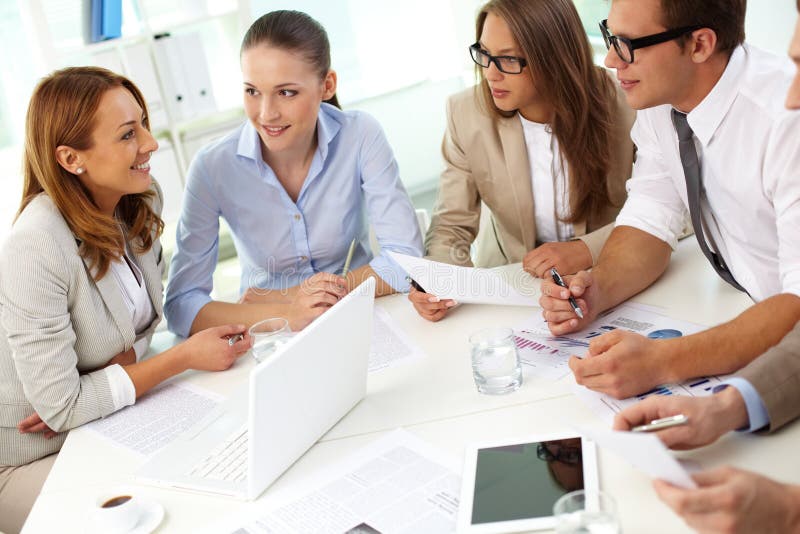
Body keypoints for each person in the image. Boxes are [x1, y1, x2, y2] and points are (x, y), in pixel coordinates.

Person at [0, 67, 251, 534]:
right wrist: (180, 358)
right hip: (33, 457)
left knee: (224, 455)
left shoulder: (137, 199)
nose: (151, 144)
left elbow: (136, 326)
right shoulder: (36, 243)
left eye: (144, 124)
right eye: (128, 134)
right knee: (164, 507)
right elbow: (61, 410)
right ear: (72, 158)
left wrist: (105, 377)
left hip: (105, 423)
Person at [539, 0, 800, 400]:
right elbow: (651, 213)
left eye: (627, 44)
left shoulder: (786, 121)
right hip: (754, 315)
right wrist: (597, 289)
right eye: (611, 35)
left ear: (699, 45)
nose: (610, 60)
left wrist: (663, 361)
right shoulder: (663, 98)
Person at [164, 10, 423, 338]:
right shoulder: (213, 167)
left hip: (365, 316)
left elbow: (405, 259)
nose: (266, 113)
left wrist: (290, 296)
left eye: (286, 92)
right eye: (252, 91)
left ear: (327, 85)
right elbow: (181, 305)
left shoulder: (360, 134)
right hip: (269, 336)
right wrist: (287, 311)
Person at [409, 0, 636, 322]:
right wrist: (439, 280)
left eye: (508, 59)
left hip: (608, 279)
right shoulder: (466, 113)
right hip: (512, 286)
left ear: (556, 58)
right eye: (485, 54)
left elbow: (674, 212)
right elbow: (452, 224)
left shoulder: (625, 103)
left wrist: (587, 249)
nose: (490, 73)